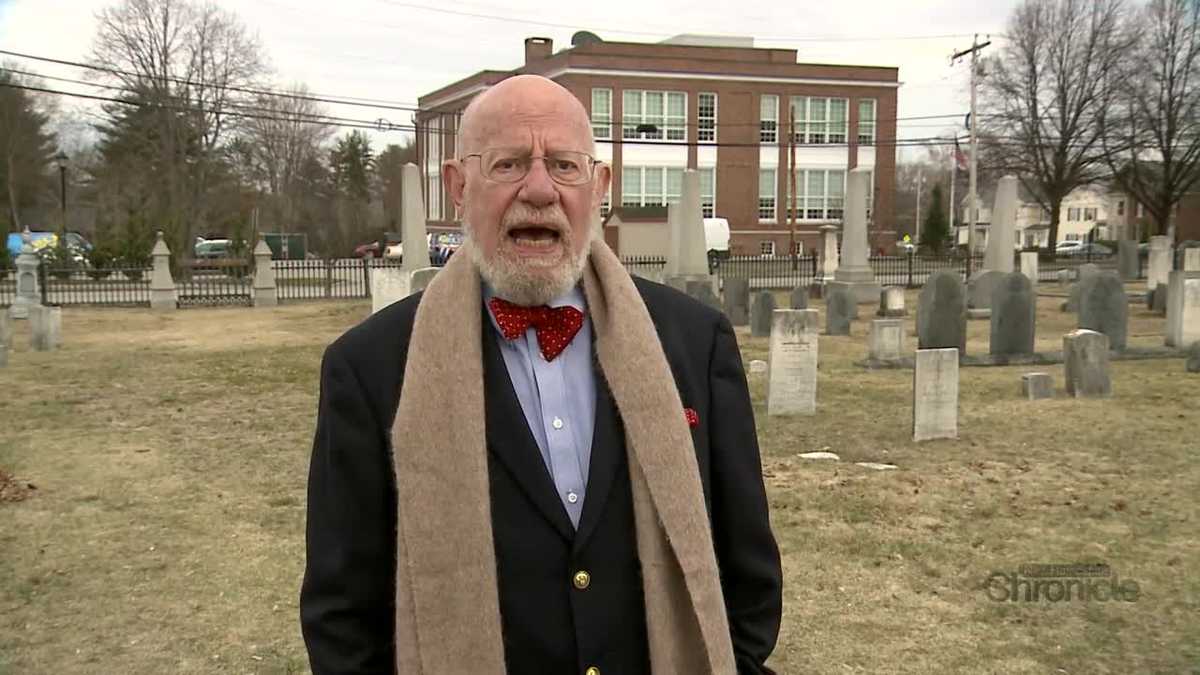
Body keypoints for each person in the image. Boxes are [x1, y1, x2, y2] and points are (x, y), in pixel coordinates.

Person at [301, 74, 782, 674]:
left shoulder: (694, 343)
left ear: (599, 186)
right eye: (507, 165)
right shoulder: (369, 369)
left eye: (563, 164)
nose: (538, 189)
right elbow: (342, 620)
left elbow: (749, 578)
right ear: (458, 185)